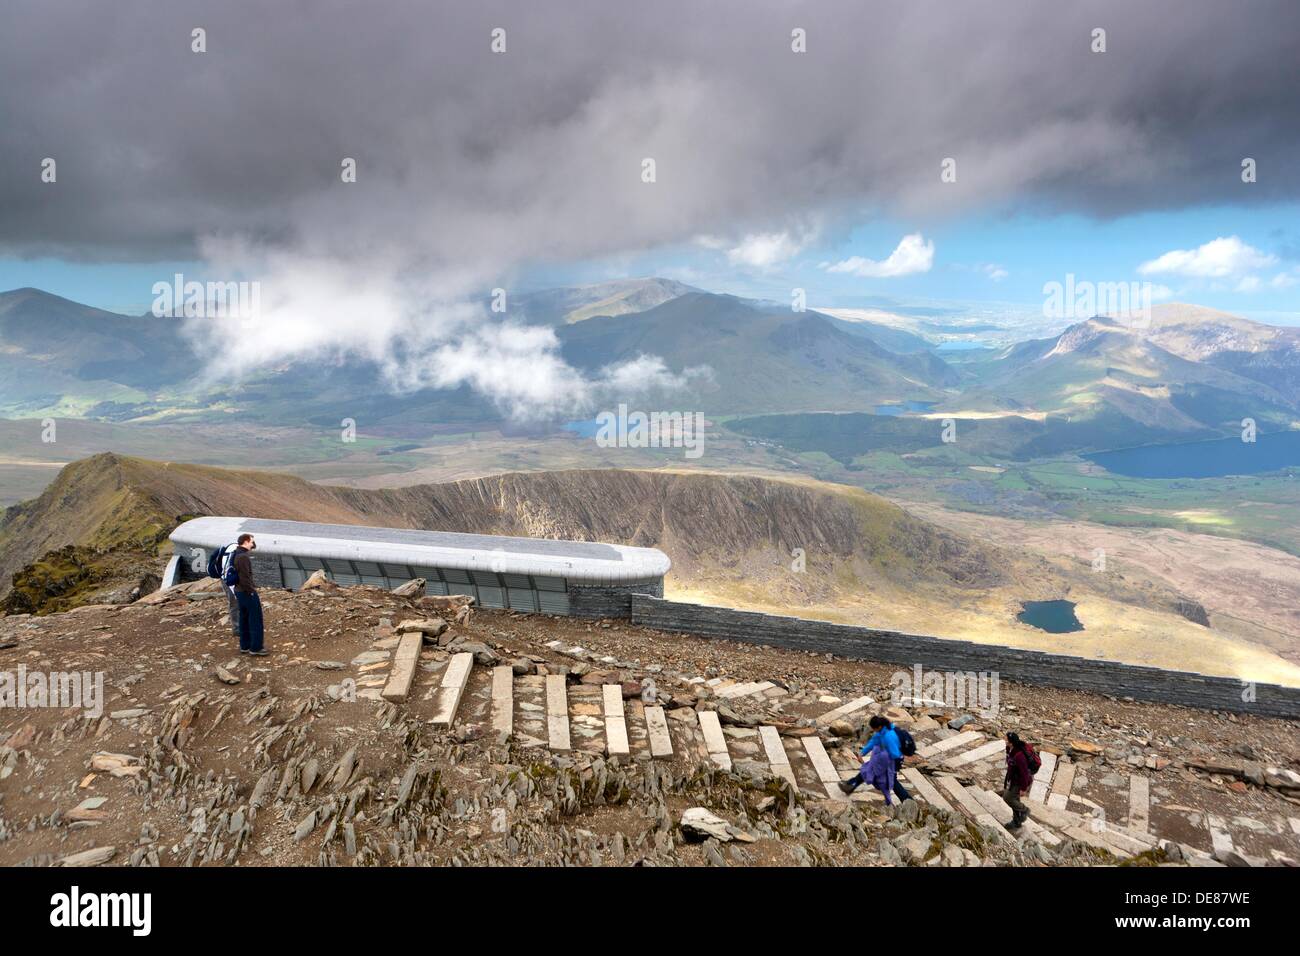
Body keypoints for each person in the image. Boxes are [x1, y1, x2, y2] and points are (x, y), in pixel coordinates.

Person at [840, 715, 912, 802]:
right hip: (885, 758)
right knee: (868, 770)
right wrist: (862, 753)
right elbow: (873, 741)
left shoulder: (889, 735)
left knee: (890, 779)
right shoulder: (882, 731)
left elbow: (895, 753)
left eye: (874, 729)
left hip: (893, 760)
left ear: (879, 727)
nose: (873, 731)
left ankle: (907, 800)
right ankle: (850, 785)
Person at [231, 533, 267, 656]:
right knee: (255, 619)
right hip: (246, 592)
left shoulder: (236, 554)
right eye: (251, 541)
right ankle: (256, 648)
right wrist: (251, 591)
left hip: (239, 591)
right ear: (246, 542)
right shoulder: (243, 557)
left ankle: (245, 645)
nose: (253, 544)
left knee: (244, 618)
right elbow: (245, 577)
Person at [1003, 732, 1034, 829]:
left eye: (1006, 739)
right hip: (1013, 778)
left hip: (1019, 781)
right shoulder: (1010, 749)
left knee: (1008, 797)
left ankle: (1024, 810)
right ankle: (1016, 822)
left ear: (1011, 742)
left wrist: (1023, 789)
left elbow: (1024, 773)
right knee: (1014, 800)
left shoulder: (1019, 756)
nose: (1005, 740)